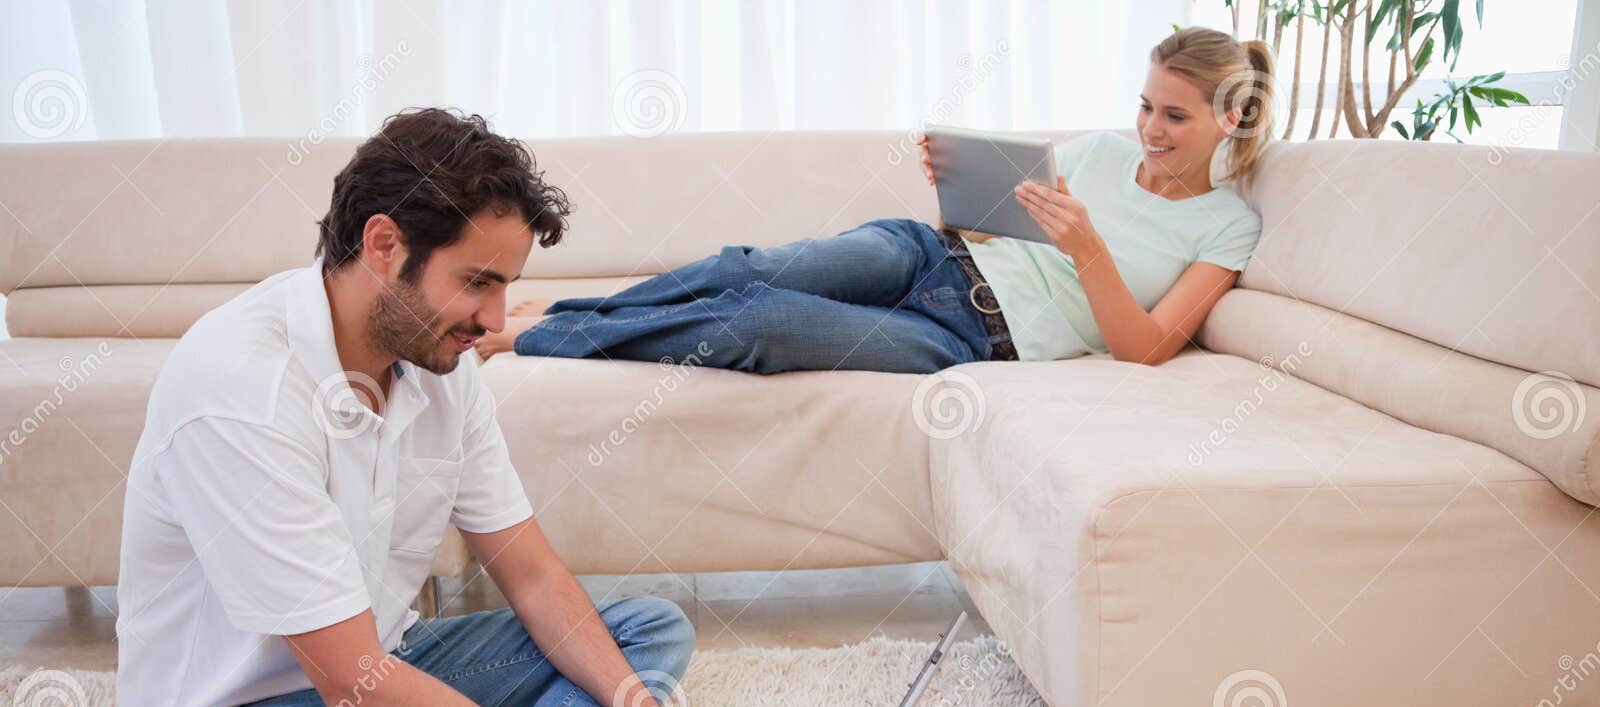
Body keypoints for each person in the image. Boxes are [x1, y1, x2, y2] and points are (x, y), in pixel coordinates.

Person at [114, 108, 773, 707]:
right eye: (478, 281)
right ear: (384, 245)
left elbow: (528, 568)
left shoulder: (439, 366)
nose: (497, 322)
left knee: (648, 633)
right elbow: (351, 683)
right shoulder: (240, 390)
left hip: (385, 659)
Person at [474, 26, 1272, 374]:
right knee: (750, 266)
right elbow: (984, 232)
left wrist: (1090, 251)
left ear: (1228, 117)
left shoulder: (1227, 229)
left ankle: (547, 336)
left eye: (1174, 115)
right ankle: (561, 316)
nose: (1149, 130)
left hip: (968, 337)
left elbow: (1145, 349)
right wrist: (962, 186)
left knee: (763, 322)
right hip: (929, 254)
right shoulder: (1101, 151)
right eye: (1144, 105)